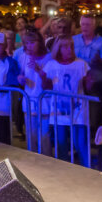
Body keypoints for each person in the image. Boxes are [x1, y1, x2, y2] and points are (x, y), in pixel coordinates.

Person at [42, 35, 92, 165]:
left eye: (71, 46)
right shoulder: (51, 65)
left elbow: (88, 87)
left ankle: (87, 169)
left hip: (78, 109)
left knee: (80, 143)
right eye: (65, 47)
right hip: (59, 109)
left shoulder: (81, 64)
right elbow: (46, 87)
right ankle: (64, 170)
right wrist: (42, 76)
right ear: (58, 48)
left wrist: (91, 80)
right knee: (61, 143)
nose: (69, 49)